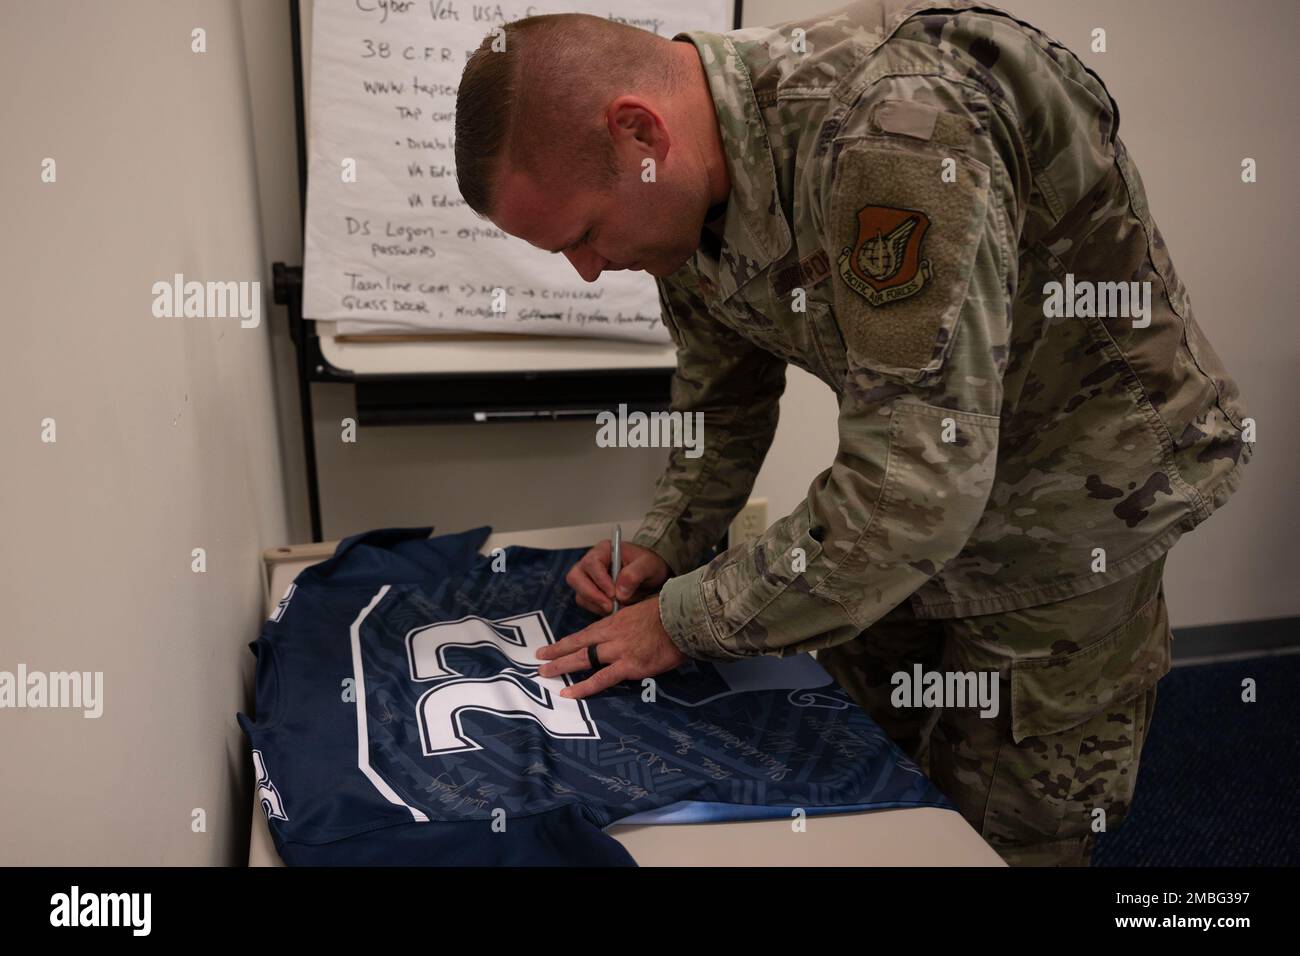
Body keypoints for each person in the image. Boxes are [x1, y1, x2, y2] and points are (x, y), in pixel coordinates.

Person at [452, 1, 1252, 865]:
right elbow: (725, 401)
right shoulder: (680, 197)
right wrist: (666, 541)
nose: (588, 270)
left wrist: (680, 622)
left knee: (1005, 826)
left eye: (583, 235)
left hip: (1076, 505)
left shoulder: (894, 132)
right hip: (916, 497)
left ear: (641, 133)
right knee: (855, 759)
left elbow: (914, 489)